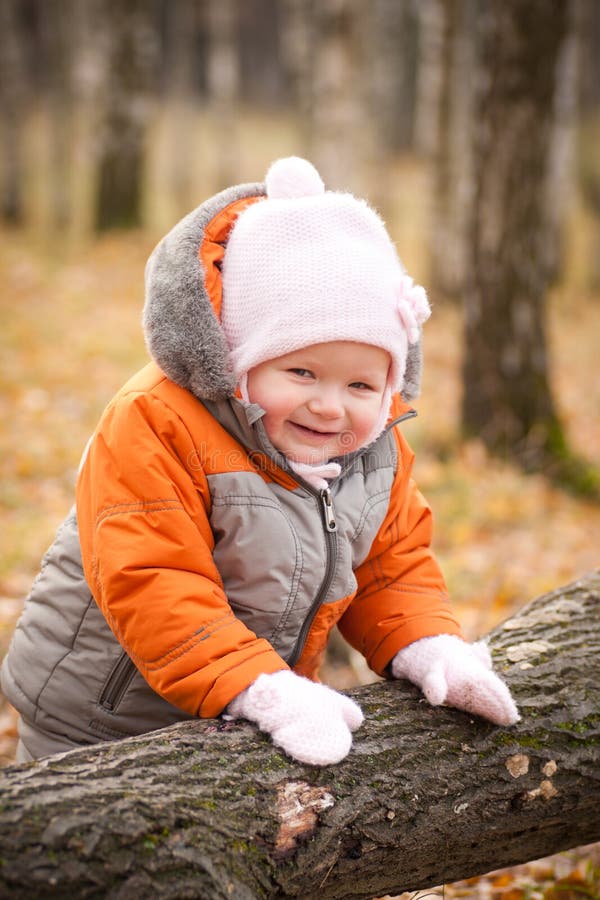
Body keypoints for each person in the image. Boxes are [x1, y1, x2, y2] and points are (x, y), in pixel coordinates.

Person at [1, 157, 519, 766]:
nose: (329, 407)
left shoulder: (372, 444)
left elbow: (389, 566)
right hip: (103, 718)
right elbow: (154, 578)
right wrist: (263, 690)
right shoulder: (156, 424)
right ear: (240, 362)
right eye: (301, 372)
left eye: (360, 385)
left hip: (245, 705)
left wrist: (431, 647)